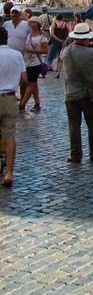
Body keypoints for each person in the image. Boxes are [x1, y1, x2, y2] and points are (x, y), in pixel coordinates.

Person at [61, 22, 93, 163]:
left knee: (74, 125)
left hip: (70, 94)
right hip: (89, 95)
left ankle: (75, 154)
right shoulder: (91, 53)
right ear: (87, 38)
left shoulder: (65, 51)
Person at [0, 26, 27, 186]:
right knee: (9, 135)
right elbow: (25, 79)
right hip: (10, 98)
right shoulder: (16, 55)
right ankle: (9, 173)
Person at [20, 17, 48, 111]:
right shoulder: (29, 34)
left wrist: (31, 50)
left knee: (30, 83)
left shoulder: (42, 36)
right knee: (34, 83)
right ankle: (37, 103)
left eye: (34, 23)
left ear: (38, 24)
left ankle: (22, 104)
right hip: (27, 62)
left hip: (36, 62)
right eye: (31, 22)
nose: (32, 24)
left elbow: (45, 51)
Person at [49, 13, 70, 78]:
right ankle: (58, 72)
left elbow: (52, 34)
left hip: (55, 42)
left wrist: (58, 40)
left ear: (56, 17)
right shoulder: (65, 24)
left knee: (50, 56)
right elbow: (70, 33)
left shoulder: (54, 24)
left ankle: (45, 70)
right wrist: (65, 41)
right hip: (63, 43)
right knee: (60, 58)